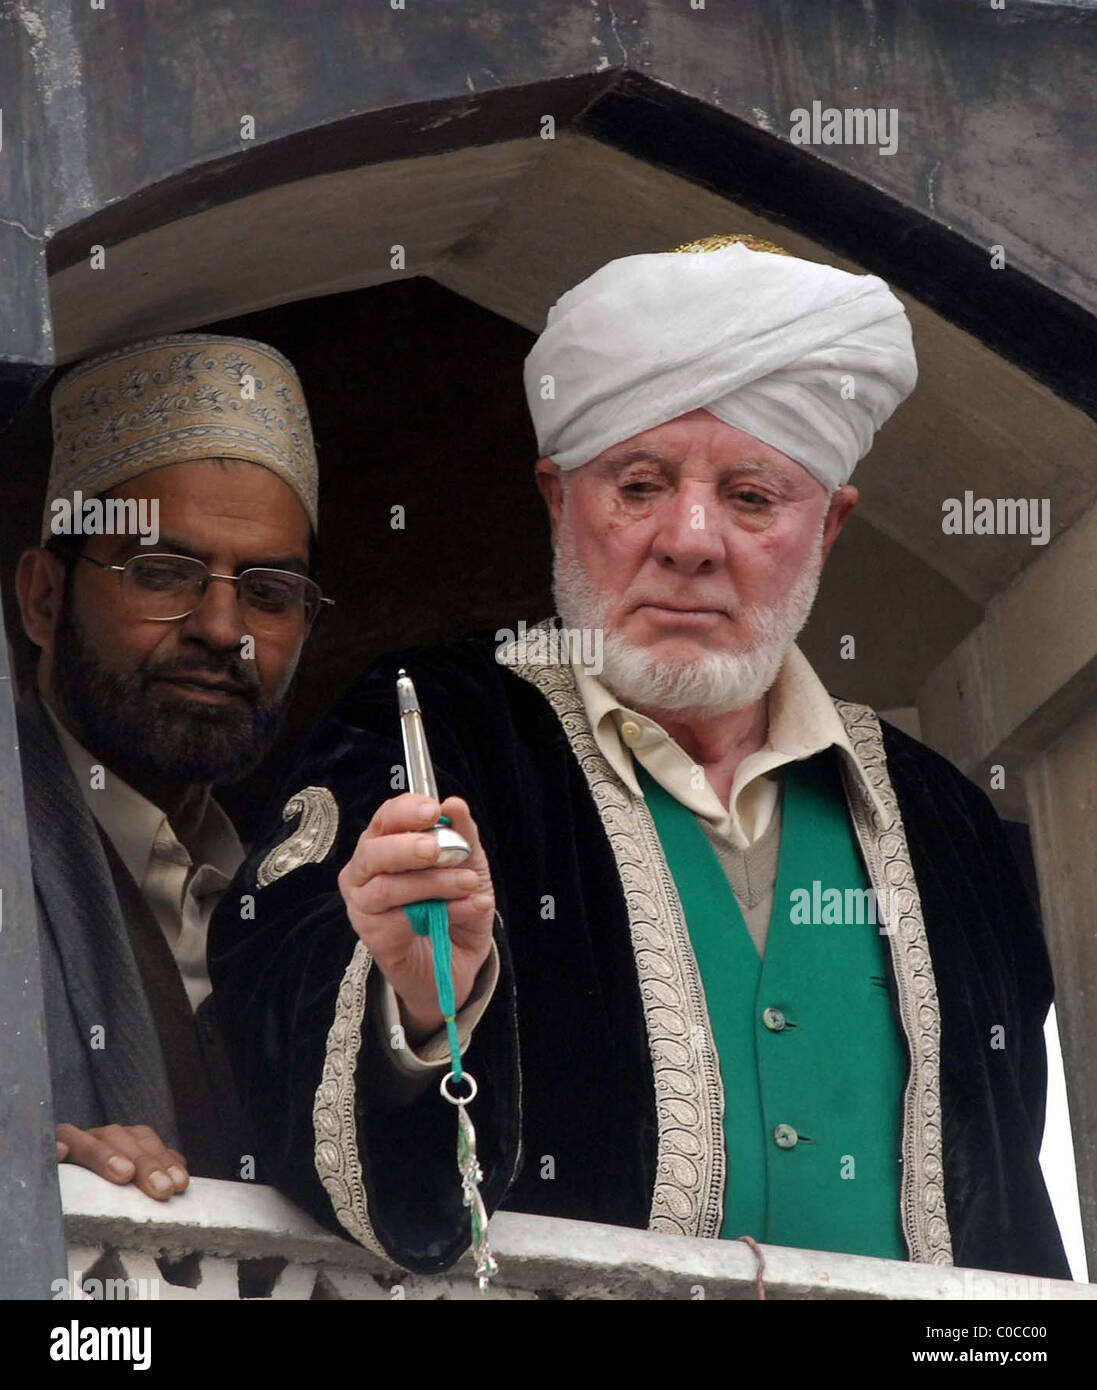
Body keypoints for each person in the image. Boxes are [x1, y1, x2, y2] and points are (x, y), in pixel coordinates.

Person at [209, 235, 1069, 1279]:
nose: (691, 539)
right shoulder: (432, 727)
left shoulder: (941, 822)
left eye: (751, 497)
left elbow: (1005, 1182)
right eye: (639, 484)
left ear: (830, 524)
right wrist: (419, 1002)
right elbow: (260, 1011)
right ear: (555, 497)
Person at [17, 333, 327, 1198]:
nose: (222, 629)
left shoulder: (299, 889)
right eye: (162, 573)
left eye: (267, 593)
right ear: (45, 597)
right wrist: (33, 1162)